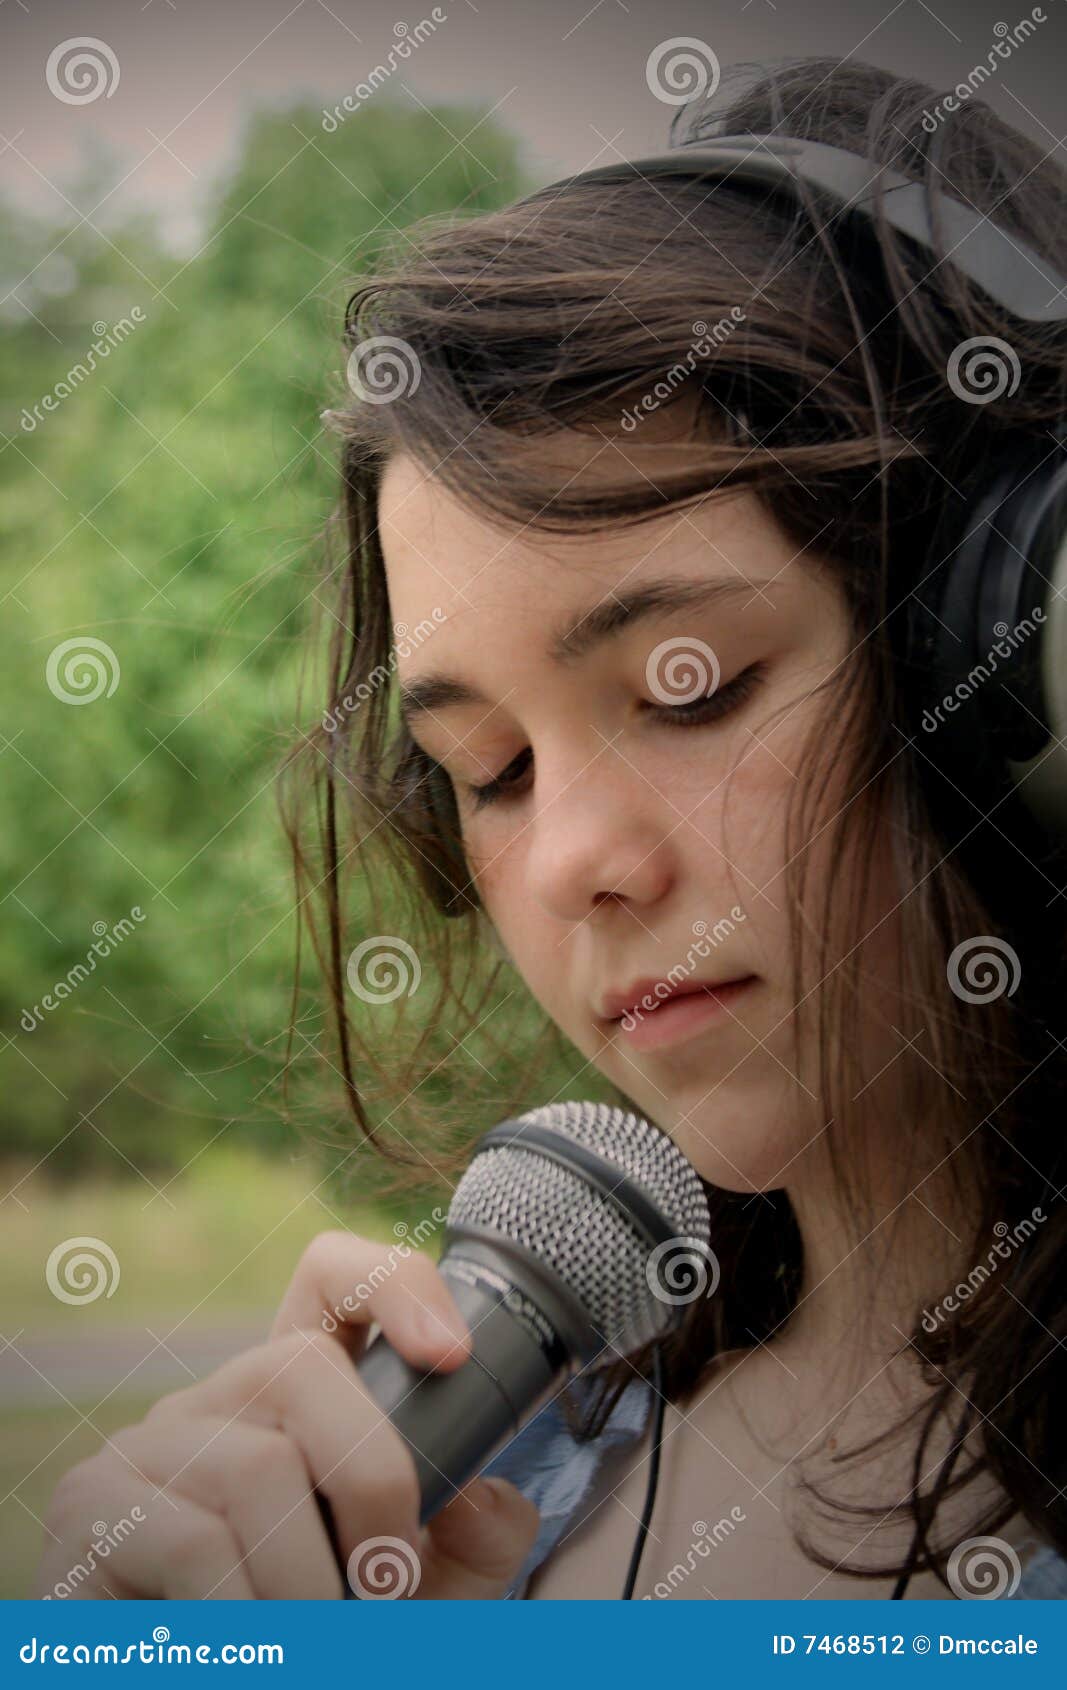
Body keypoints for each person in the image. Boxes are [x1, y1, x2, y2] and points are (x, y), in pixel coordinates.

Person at [36, 55, 1067, 1602]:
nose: (579, 863)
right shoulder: (503, 1490)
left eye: (694, 687)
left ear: (1006, 645)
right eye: (492, 768)